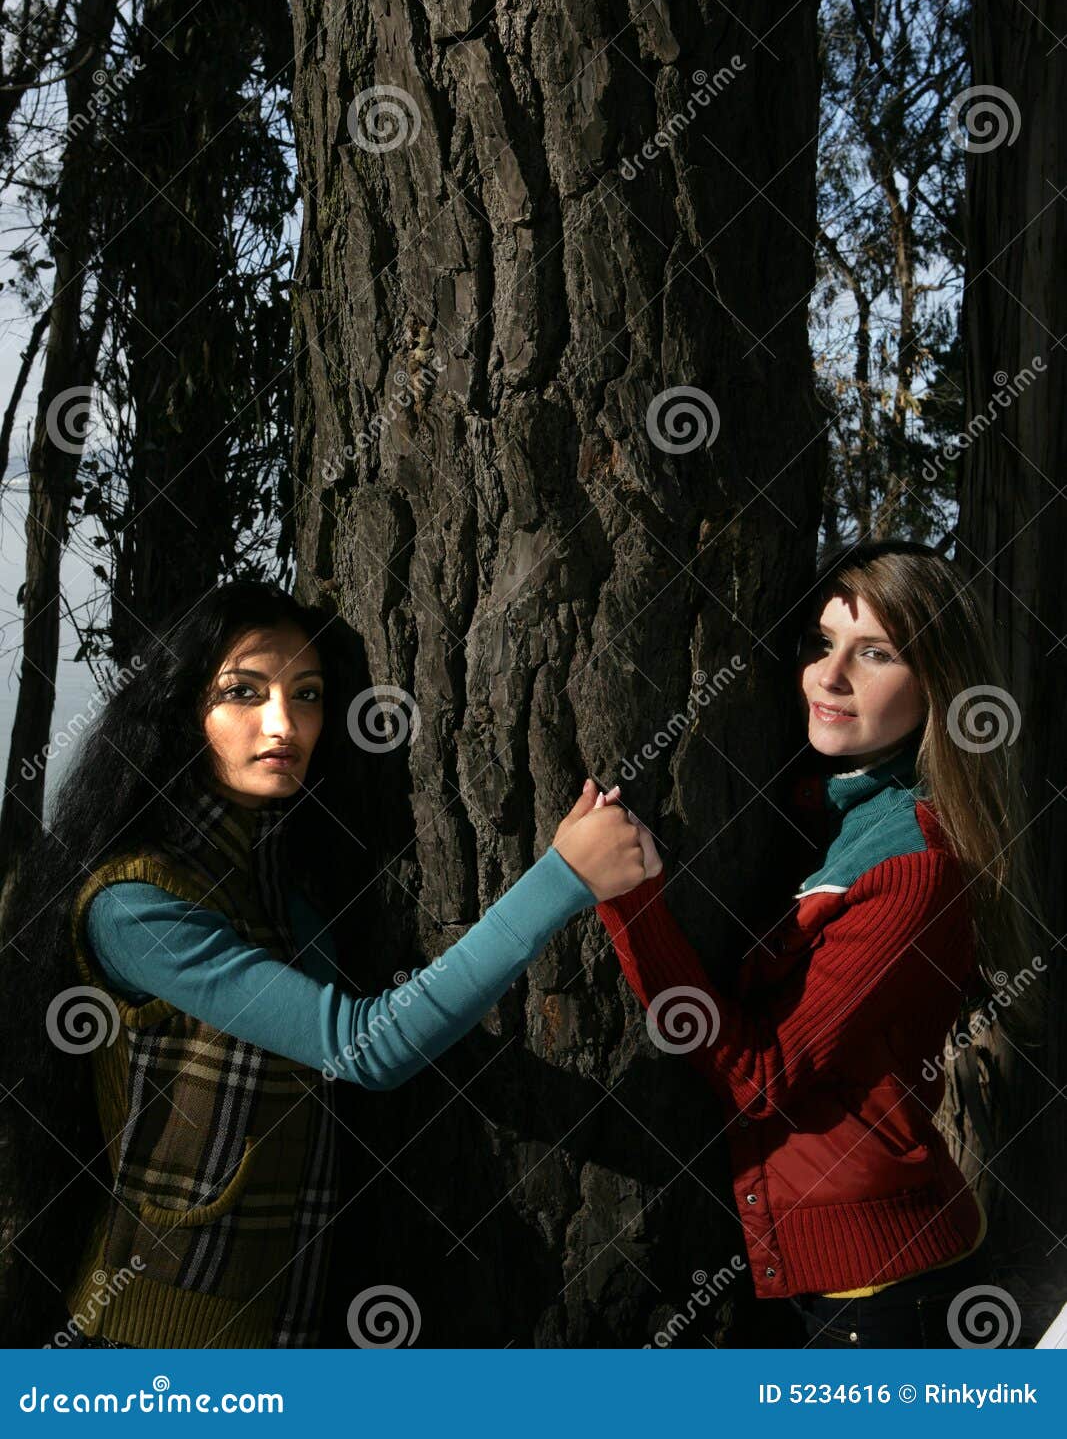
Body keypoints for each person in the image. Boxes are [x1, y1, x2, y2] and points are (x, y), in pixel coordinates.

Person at [0, 580, 649, 1349]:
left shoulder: (278, 881)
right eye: (243, 692)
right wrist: (561, 879)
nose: (284, 724)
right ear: (180, 711)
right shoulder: (134, 905)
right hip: (153, 1347)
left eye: (305, 694)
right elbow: (363, 1046)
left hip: (293, 1329)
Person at [593, 538, 1046, 1348]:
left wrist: (627, 900)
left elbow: (762, 1076)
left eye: (874, 653)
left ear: (937, 680)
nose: (828, 676)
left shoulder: (912, 865)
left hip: (884, 1297)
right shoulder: (829, 810)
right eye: (819, 642)